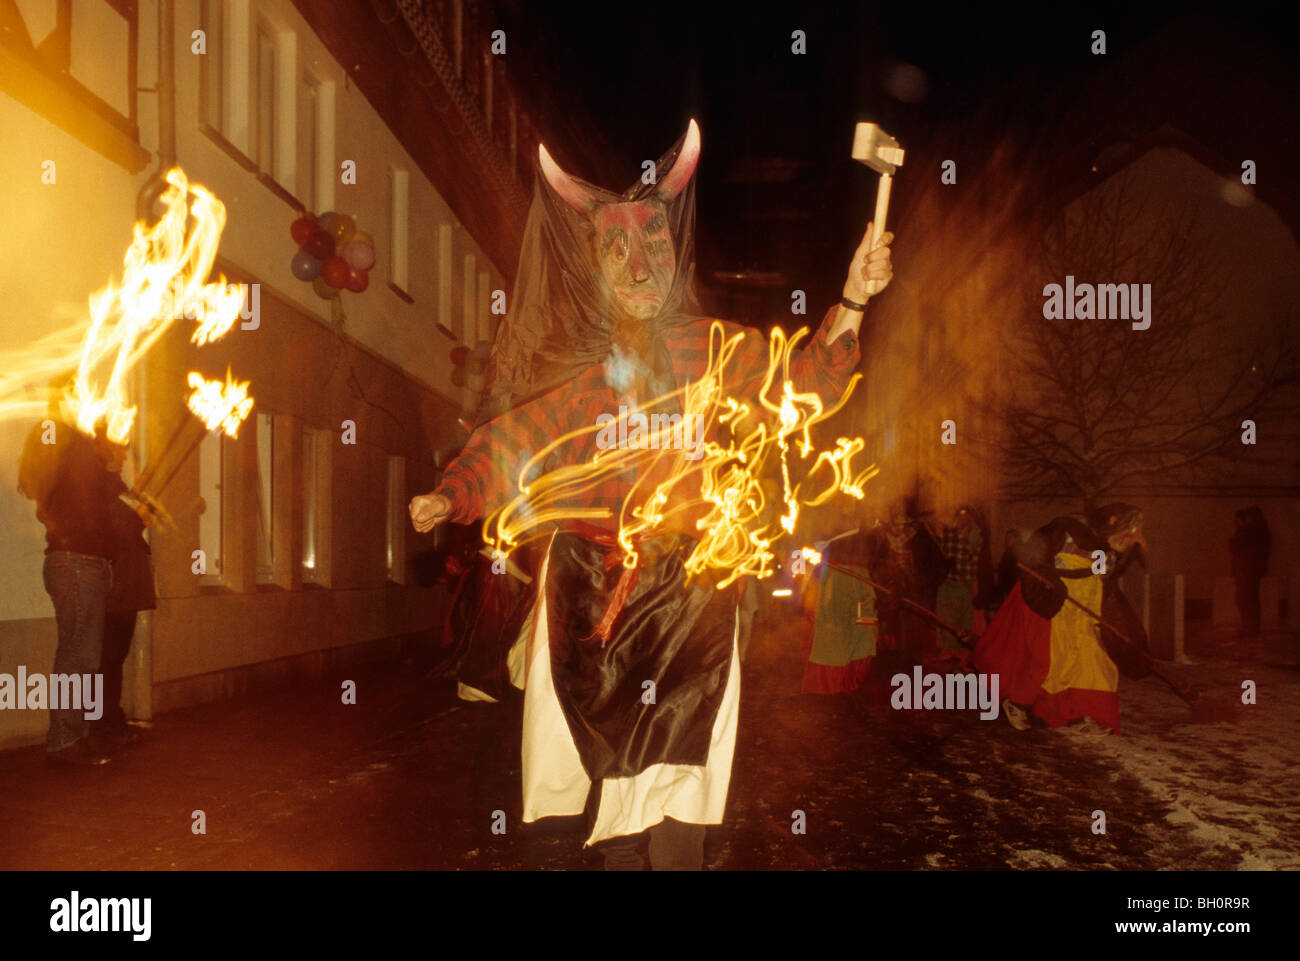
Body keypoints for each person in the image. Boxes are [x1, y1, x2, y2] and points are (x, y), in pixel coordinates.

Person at [409, 119, 893, 869]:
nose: (641, 265)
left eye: (655, 244)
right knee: (608, 801)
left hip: (688, 603)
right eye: (618, 249)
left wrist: (854, 300)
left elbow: (804, 385)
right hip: (588, 604)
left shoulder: (712, 350)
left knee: (675, 786)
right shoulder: (582, 371)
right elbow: (513, 443)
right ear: (594, 265)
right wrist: (453, 494)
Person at [973, 504, 1147, 736]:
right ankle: (1016, 703)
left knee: (1091, 661)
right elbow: (1033, 558)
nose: (1129, 541)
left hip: (1081, 613)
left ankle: (1080, 713)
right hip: (1050, 606)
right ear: (1113, 524)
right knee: (1048, 661)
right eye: (1128, 534)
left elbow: (1099, 580)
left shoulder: (1105, 551)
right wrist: (1049, 586)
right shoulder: (1069, 528)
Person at [18, 387, 119, 766]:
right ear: (64, 398)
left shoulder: (83, 441)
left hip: (89, 562)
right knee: (76, 653)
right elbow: (33, 481)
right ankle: (63, 739)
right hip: (75, 562)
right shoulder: (54, 432)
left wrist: (105, 463)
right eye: (81, 391)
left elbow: (102, 497)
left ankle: (78, 733)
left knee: (86, 657)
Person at [93, 426, 156, 748]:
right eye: (118, 450)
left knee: (115, 656)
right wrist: (137, 516)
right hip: (114, 586)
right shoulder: (100, 488)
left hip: (125, 585)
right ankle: (103, 724)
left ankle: (110, 720)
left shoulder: (118, 486)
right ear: (104, 454)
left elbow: (135, 523)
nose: (123, 455)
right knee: (108, 657)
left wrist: (143, 511)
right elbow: (114, 531)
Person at [1229, 507, 1271, 636]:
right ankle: (1250, 627)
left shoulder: (1255, 532)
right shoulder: (1259, 531)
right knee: (1247, 599)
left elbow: (1239, 549)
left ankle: (1249, 628)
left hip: (1248, 570)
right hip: (1248, 570)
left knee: (1246, 599)